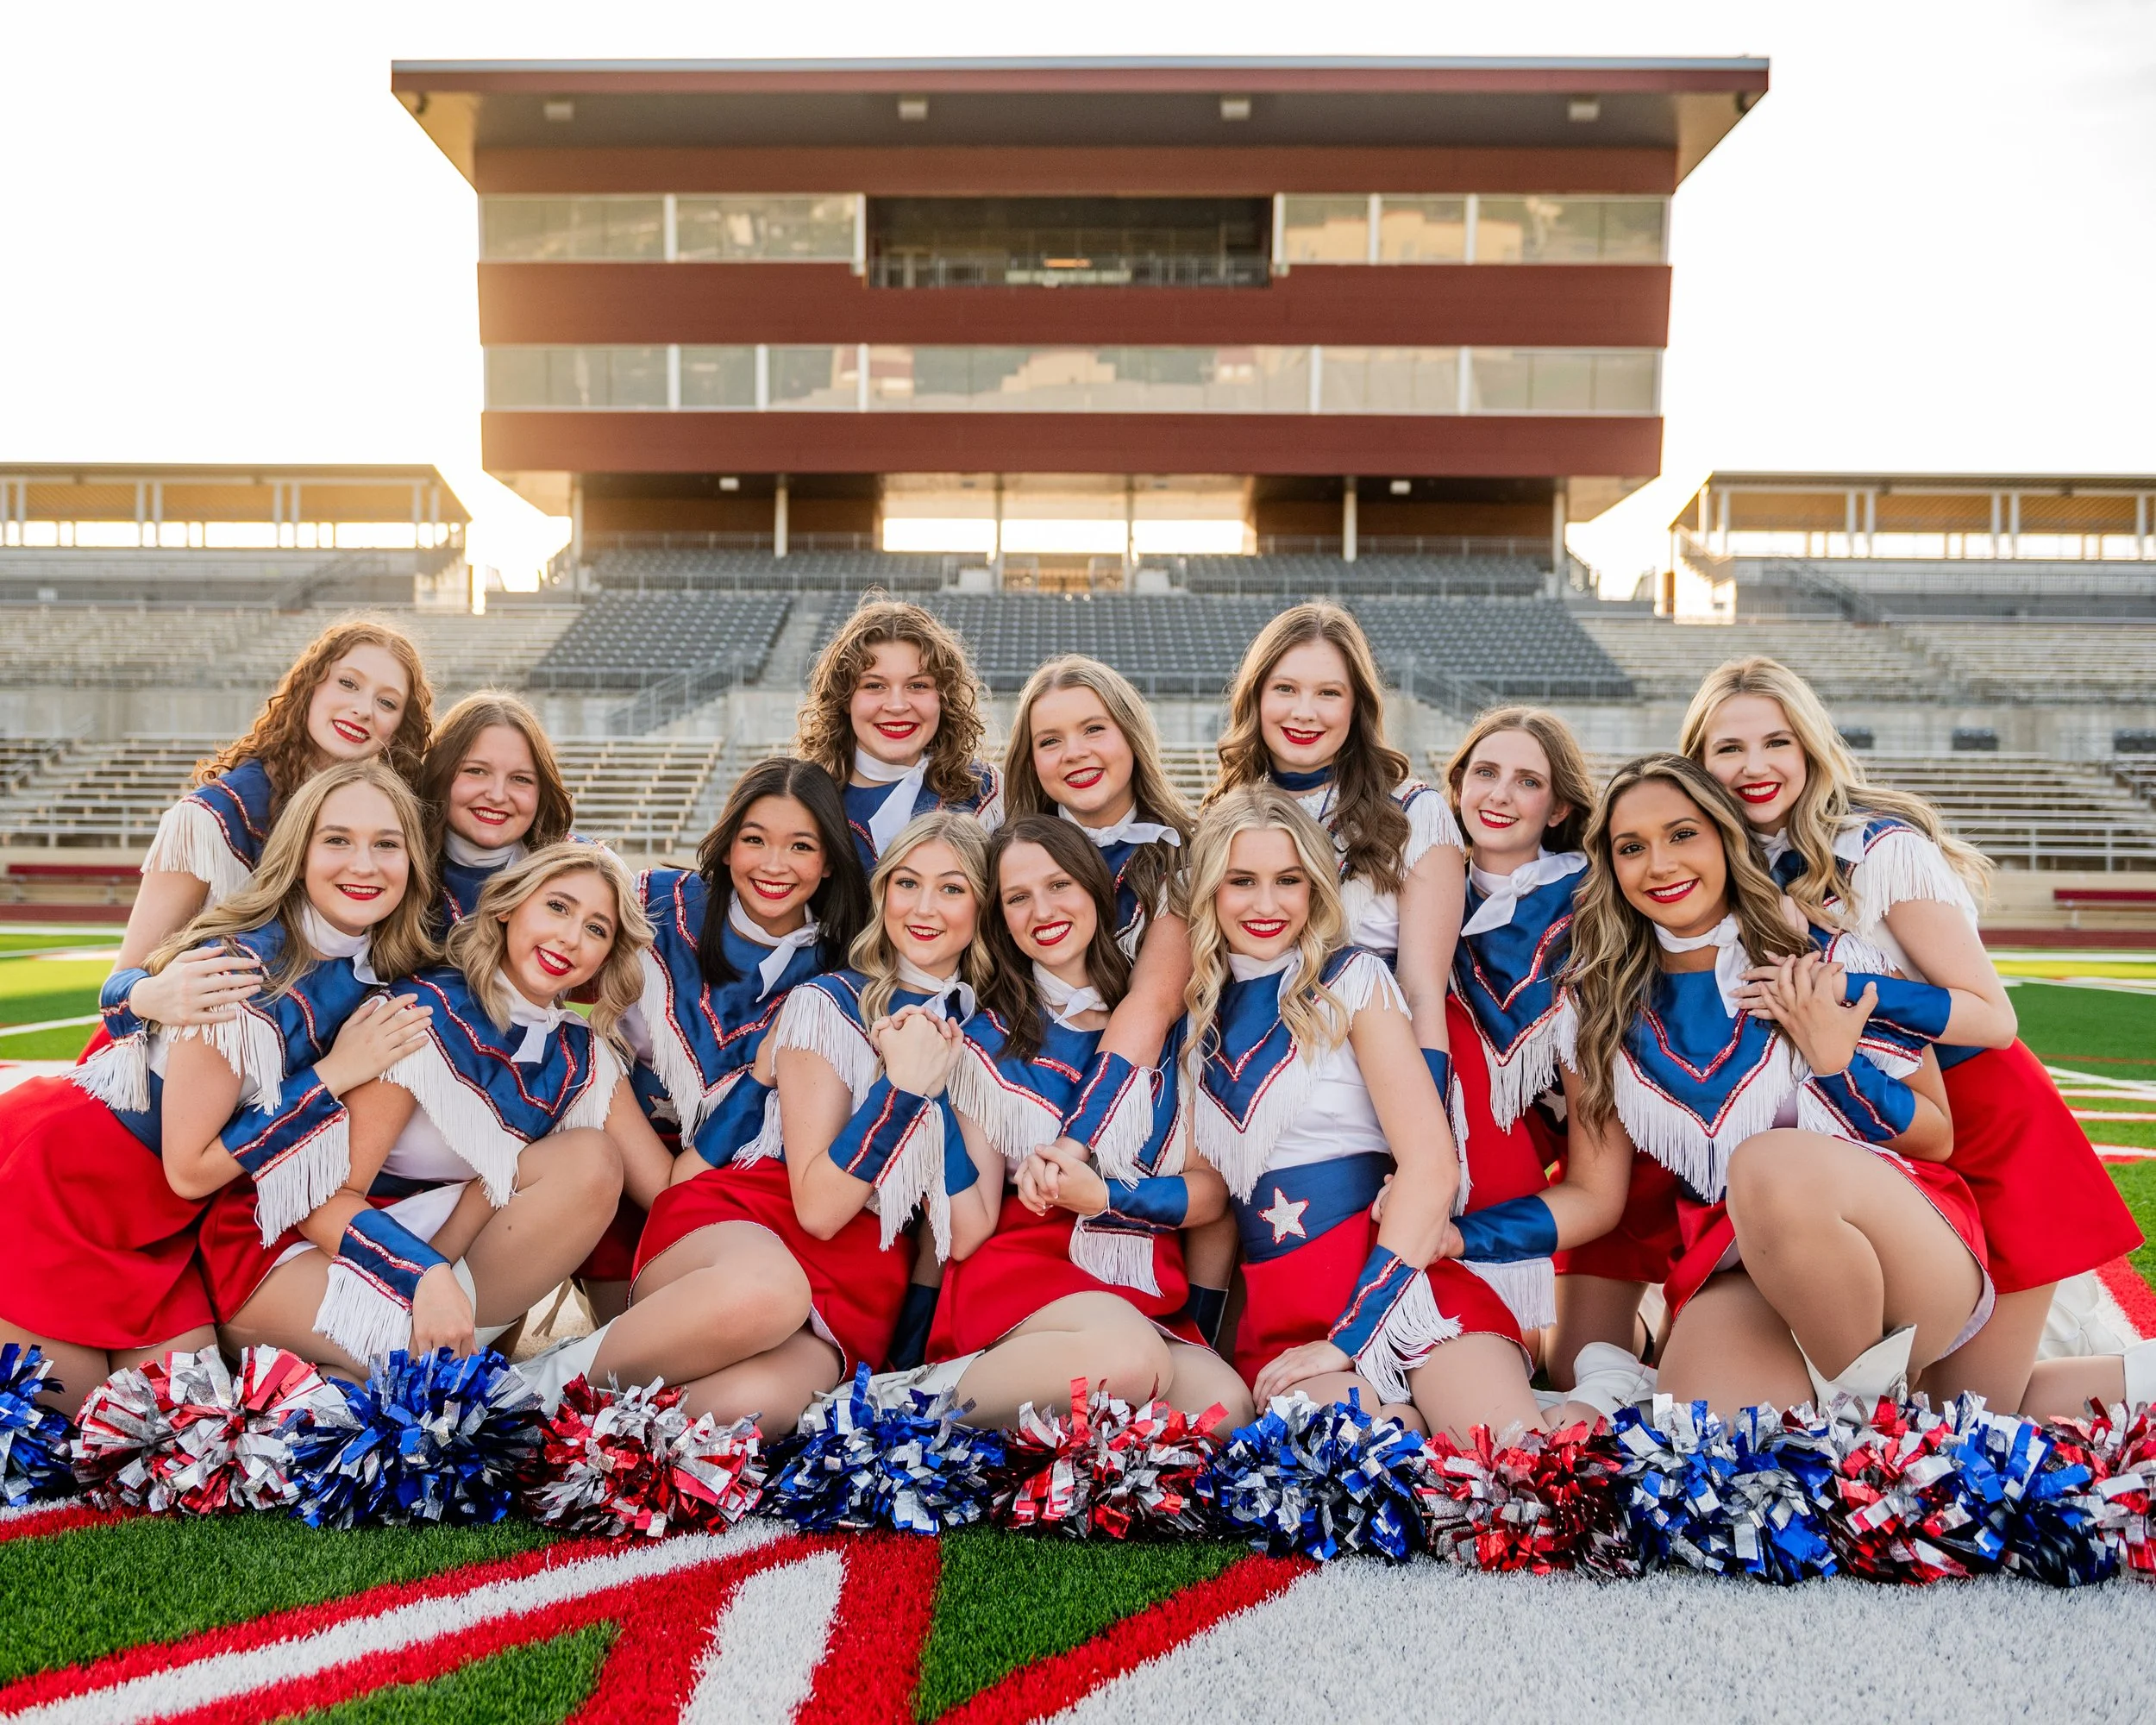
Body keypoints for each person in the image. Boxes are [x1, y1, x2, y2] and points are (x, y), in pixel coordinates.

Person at [1680, 658, 2147, 1414]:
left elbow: (1993, 1017)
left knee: (1968, 1417)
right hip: (1865, 1128)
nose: (1754, 766)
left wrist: (1843, 981)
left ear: (1811, 748)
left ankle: (2142, 1383)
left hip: (1981, 1122)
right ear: (1698, 760)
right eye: (1728, 749)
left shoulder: (1879, 847)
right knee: (1943, 1411)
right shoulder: (1721, 859)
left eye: (1778, 742)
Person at [529, 812, 999, 1429]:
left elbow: (964, 1233)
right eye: (906, 883)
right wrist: (901, 1089)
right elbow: (819, 1205)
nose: (924, 907)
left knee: (749, 1411)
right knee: (767, 1294)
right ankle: (529, 1392)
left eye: (952, 888)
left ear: (983, 907)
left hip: (859, 1279)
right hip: (744, 1226)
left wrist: (928, 1089)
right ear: (881, 895)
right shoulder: (827, 1003)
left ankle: (570, 1427)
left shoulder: (989, 1039)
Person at [1556, 754, 1989, 1417]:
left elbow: (1937, 1137)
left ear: (1727, 837)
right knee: (1701, 1443)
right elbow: (1595, 1192)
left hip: (1898, 1253)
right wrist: (1453, 1233)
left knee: (1765, 1163)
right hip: (1740, 1267)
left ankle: (1868, 1425)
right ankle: (2117, 1381)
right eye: (1632, 847)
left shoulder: (1825, 954)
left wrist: (1835, 1064)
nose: (1661, 864)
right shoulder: (1598, 1004)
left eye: (1683, 834)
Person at [0, 759, 437, 1414]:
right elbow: (190, 1168)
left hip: (164, 1227)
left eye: (387, 844)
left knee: (177, 1416)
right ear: (299, 852)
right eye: (337, 840)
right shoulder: (238, 968)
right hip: (66, 1182)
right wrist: (336, 1072)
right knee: (78, 1413)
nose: (364, 864)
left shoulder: (375, 964)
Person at [1181, 787, 1607, 1441]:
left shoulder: (1352, 981)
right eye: (1243, 881)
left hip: (1407, 1292)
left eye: (1288, 880)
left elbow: (1432, 1167)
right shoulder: (1193, 1019)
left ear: (1316, 887)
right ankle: (1426, 1420)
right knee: (1341, 1459)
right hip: (1291, 1310)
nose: (1266, 905)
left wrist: (1352, 1336)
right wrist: (1202, 1340)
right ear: (1210, 887)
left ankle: (1595, 1404)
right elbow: (1212, 1207)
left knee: (1513, 1465)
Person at [204, 843, 661, 1377]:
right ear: (510, 906)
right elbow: (320, 1200)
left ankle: (426, 1376)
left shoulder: (582, 1055)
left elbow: (667, 1188)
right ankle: (464, 1380)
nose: (570, 937)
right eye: (557, 907)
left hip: (431, 1253)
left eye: (597, 929)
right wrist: (424, 1274)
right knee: (399, 1404)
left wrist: (764, 1078)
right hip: (298, 1251)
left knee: (590, 1159)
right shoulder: (419, 1012)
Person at [924, 815, 1250, 1428]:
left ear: (1097, 892)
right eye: (1017, 898)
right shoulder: (982, 1041)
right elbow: (971, 1225)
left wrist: (1105, 1196)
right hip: (1026, 1283)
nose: (1041, 909)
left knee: (1224, 1411)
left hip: (1144, 1286)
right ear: (1000, 919)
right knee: (1127, 1360)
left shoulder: (1170, 1030)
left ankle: (1037, 1436)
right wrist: (930, 1094)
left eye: (1060, 885)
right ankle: (913, 1406)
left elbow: (1208, 1195)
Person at [580, 757, 870, 1322]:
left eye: (801, 847)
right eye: (754, 839)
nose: (774, 865)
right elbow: (565, 986)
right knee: (622, 1362)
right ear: (728, 843)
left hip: (734, 1184)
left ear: (831, 861)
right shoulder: (654, 904)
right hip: (625, 1158)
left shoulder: (843, 964)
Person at [1444, 706, 1682, 1389]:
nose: (1499, 794)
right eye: (1485, 773)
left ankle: (1661, 1326)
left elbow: (1598, 1188)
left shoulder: (1589, 911)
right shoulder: (1426, 891)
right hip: (1524, 1168)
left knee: (1577, 1370)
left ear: (1558, 810)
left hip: (1631, 1163)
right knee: (1551, 1362)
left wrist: (1462, 1238)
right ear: (1457, 785)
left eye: (1527, 781)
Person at [999, 656, 1216, 1335]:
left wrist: (1077, 1146)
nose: (1075, 753)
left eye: (1094, 728)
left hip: (1147, 1105)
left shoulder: (1185, 855)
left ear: (1130, 735)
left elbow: (1152, 1005)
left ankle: (1202, 1335)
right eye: (1050, 740)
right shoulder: (1004, 851)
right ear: (1030, 761)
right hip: (1026, 1100)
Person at [93, 618, 432, 1047]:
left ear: (400, 727)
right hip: (202, 1061)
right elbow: (120, 985)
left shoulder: (396, 824)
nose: (364, 708)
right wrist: (152, 994)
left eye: (387, 702)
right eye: (348, 683)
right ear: (311, 686)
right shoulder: (213, 817)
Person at [793, 596, 1002, 875]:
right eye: (874, 686)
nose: (897, 705)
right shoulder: (804, 799)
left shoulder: (985, 790)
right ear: (844, 699)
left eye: (917, 685)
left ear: (943, 697)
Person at [416, 691, 574, 926]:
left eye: (520, 779)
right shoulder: (396, 872)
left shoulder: (586, 873)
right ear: (440, 774)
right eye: (476, 771)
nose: (497, 795)